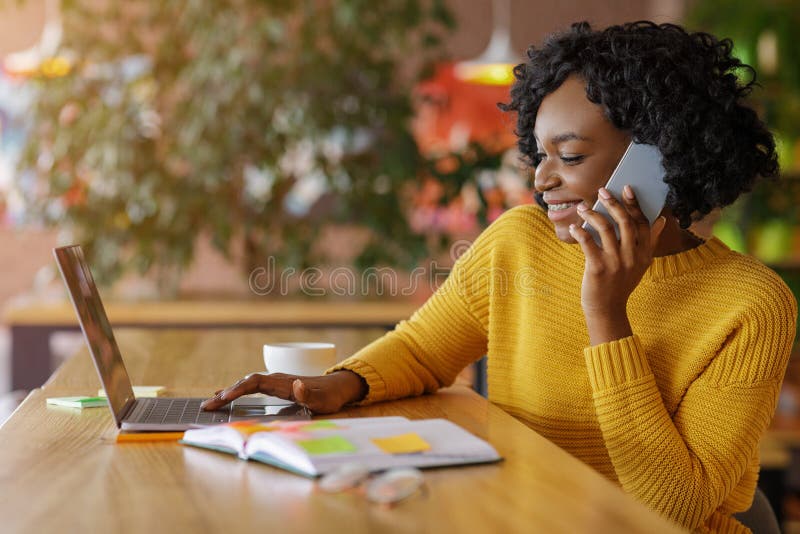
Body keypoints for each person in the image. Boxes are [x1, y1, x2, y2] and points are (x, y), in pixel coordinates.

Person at [202, 21, 797, 532]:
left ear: (659, 160)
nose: (541, 181)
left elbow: (671, 508)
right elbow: (422, 348)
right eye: (539, 156)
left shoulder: (751, 304)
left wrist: (608, 315)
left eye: (569, 157)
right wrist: (340, 384)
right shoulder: (519, 242)